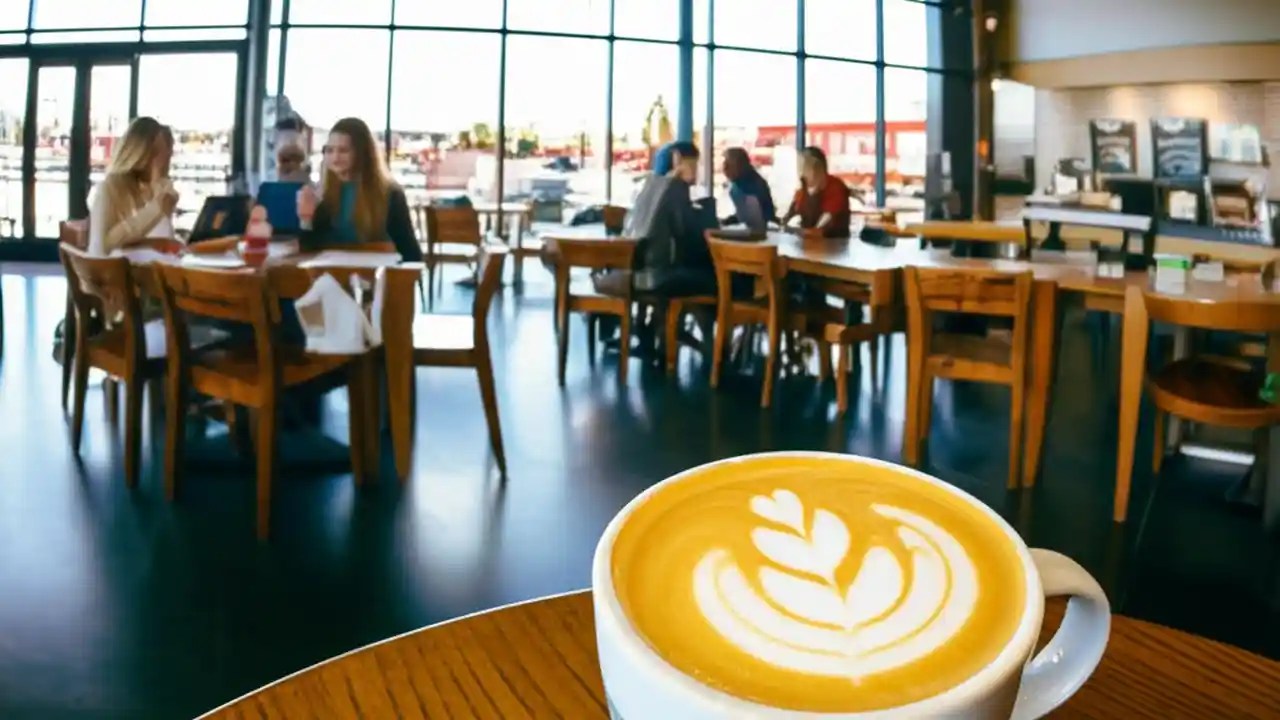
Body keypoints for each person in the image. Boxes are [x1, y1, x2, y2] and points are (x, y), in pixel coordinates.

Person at [297, 117, 422, 261]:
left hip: (377, 272)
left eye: (343, 150)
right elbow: (309, 247)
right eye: (330, 150)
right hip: (333, 272)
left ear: (362, 153)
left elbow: (409, 250)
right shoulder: (323, 193)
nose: (335, 157)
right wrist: (305, 219)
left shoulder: (390, 193)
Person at [612, 140, 715, 296]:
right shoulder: (675, 187)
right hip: (660, 276)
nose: (697, 170)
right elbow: (687, 234)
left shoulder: (648, 185)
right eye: (694, 163)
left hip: (637, 273)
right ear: (678, 159)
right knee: (719, 279)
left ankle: (664, 319)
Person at [87, 117, 180, 256]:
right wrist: (156, 208)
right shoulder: (109, 188)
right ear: (139, 153)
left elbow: (163, 245)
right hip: (120, 275)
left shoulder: (161, 192)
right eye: (156, 153)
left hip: (158, 273)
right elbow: (102, 247)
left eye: (167, 153)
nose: (163, 160)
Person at [780, 146, 851, 239]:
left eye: (805, 168)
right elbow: (789, 217)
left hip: (833, 245)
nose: (802, 173)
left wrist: (814, 194)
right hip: (809, 245)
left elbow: (819, 228)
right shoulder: (803, 189)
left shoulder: (836, 188)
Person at [722, 147, 775, 231]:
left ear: (740, 166)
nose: (724, 170)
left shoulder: (755, 185)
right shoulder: (736, 184)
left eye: (729, 165)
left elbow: (756, 218)